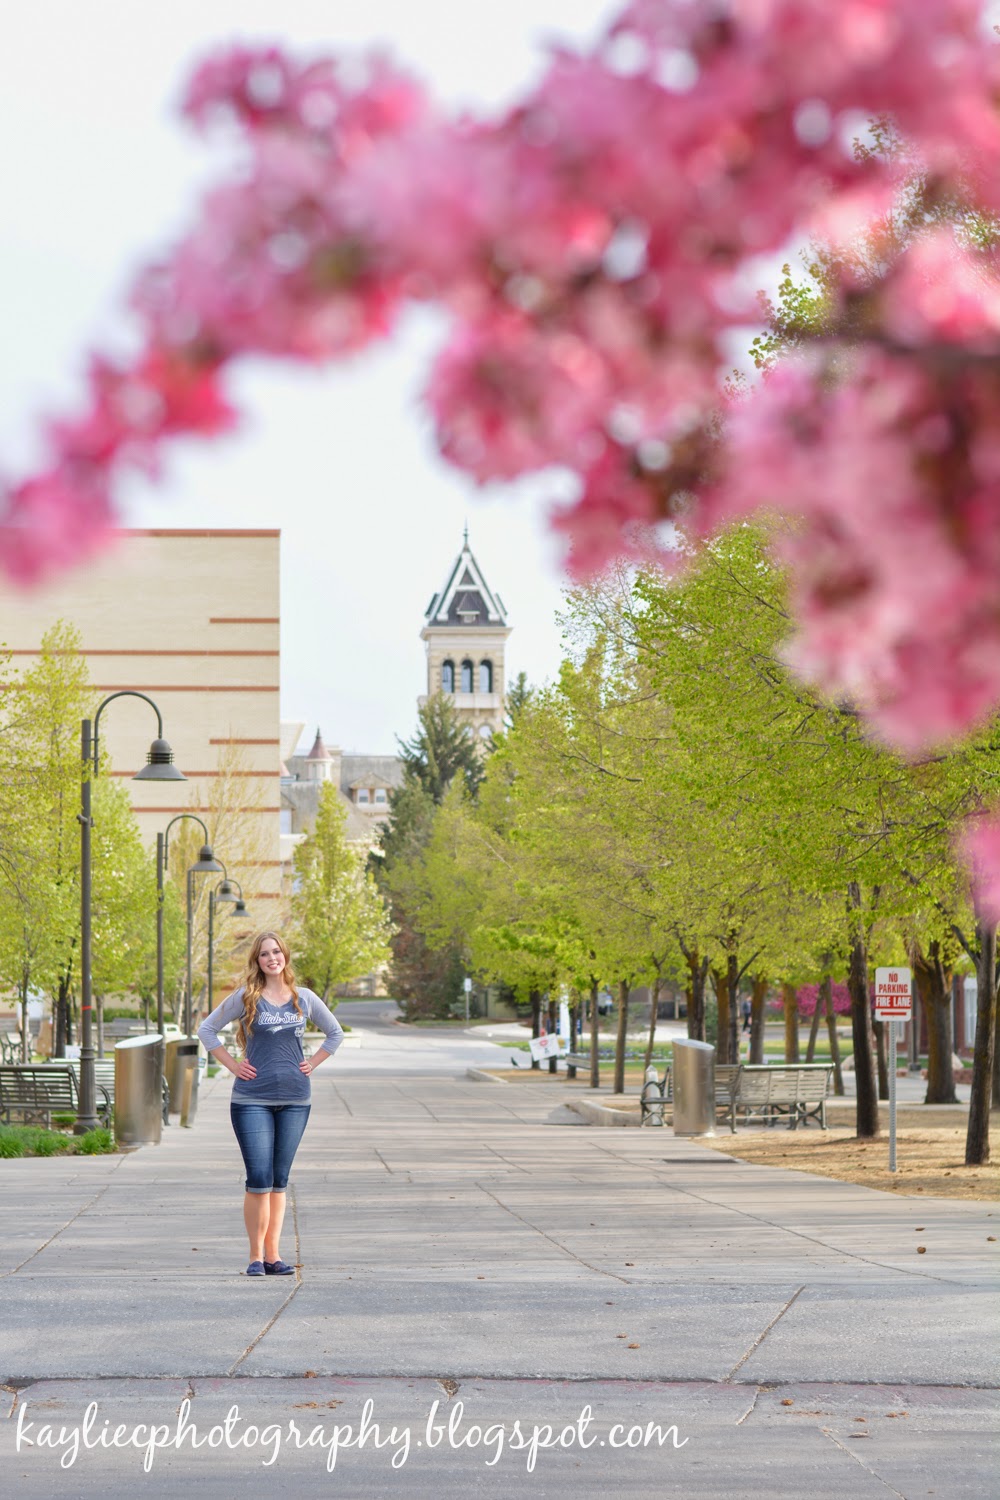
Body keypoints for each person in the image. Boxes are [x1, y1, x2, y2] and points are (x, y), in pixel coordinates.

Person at [198, 930, 344, 1277]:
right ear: (257, 961)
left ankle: (274, 1256)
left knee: (279, 1179)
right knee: (259, 1178)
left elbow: (335, 1033)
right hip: (252, 1100)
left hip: (295, 1100)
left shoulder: (303, 998)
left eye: (276, 952)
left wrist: (314, 1062)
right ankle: (254, 1257)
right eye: (264, 954)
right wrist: (233, 1065)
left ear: (285, 956)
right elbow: (207, 1030)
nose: (272, 958)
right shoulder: (246, 997)